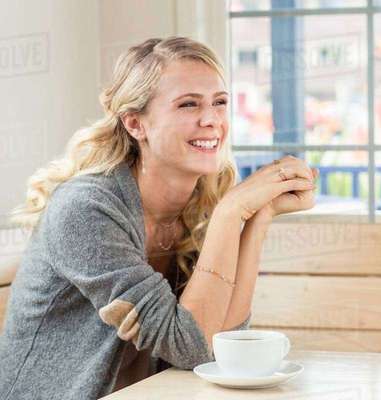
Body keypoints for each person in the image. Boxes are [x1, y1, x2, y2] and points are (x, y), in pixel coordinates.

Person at [0, 37, 317, 399]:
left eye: (220, 103)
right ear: (136, 124)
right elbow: (190, 347)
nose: (211, 120)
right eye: (187, 105)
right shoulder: (85, 209)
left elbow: (221, 347)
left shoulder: (200, 204)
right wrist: (232, 213)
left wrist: (260, 217)